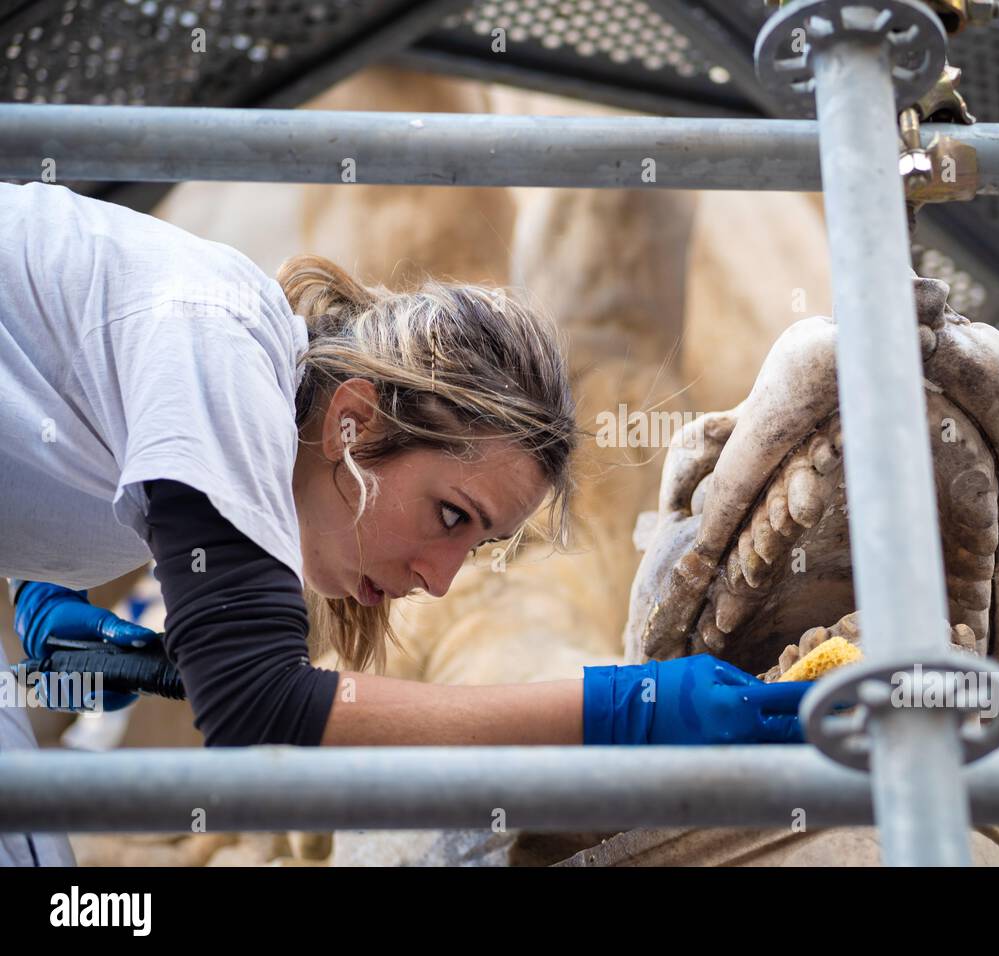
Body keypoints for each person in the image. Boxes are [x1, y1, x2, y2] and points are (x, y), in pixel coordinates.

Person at [0, 182, 810, 865]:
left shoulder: (223, 398)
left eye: (477, 542)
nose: (440, 578)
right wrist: (620, 710)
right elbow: (255, 702)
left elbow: (42, 430)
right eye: (451, 514)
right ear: (353, 422)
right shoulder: (221, 342)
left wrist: (40, 592)